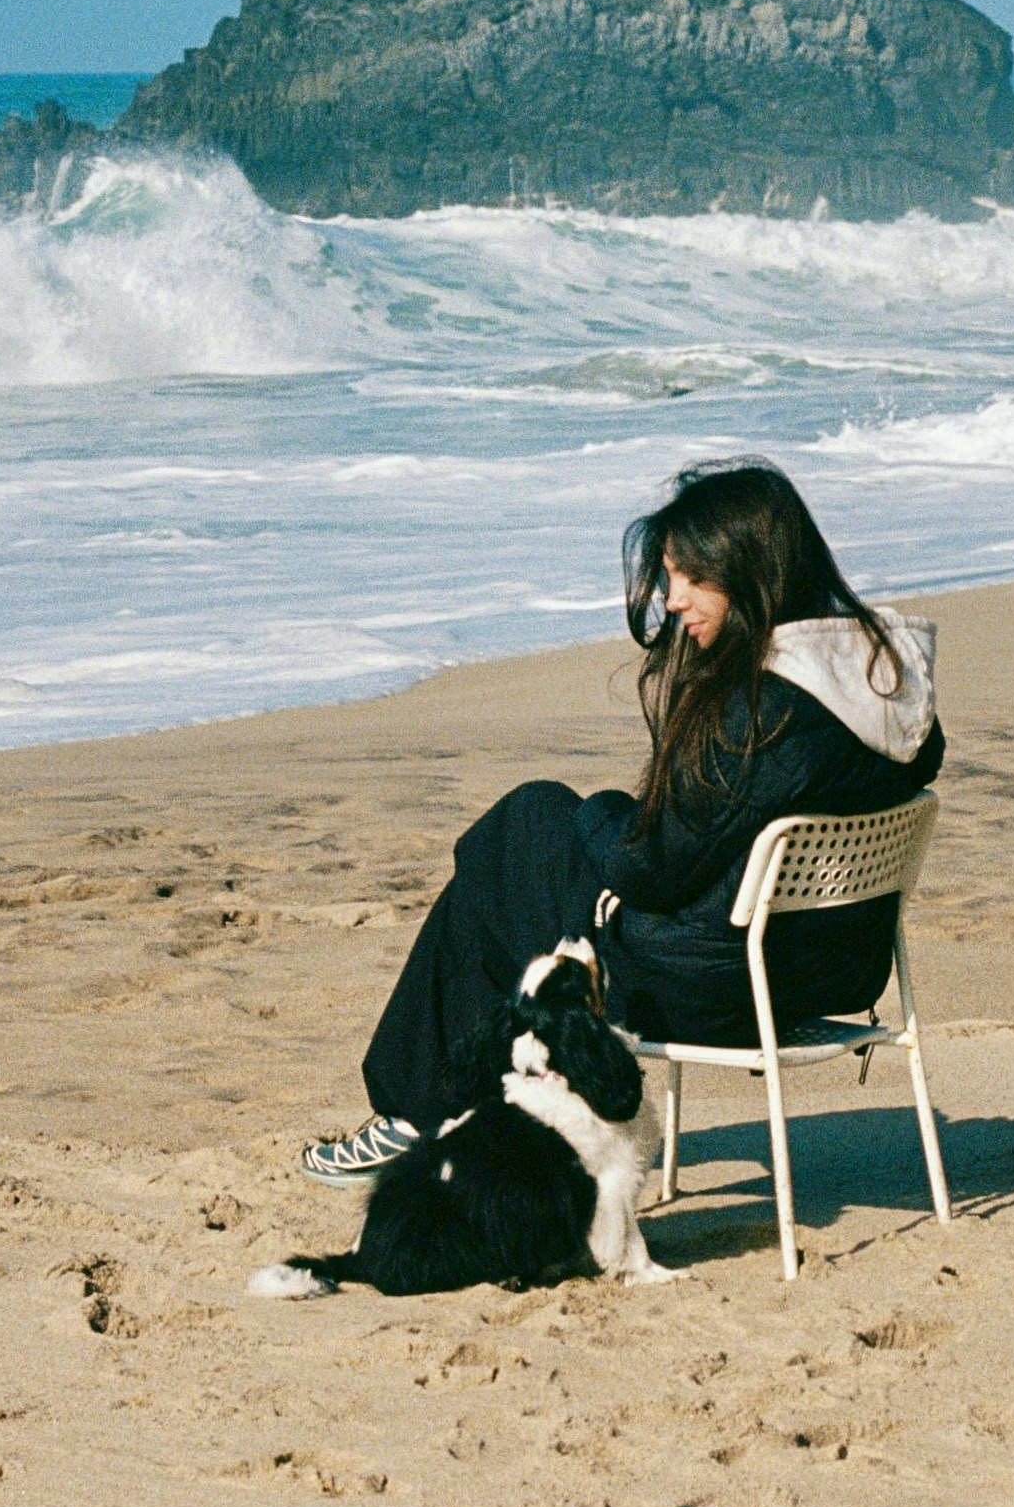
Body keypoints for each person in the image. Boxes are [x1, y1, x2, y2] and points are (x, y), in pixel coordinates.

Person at [301, 457, 945, 1179]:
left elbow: (648, 869)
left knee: (522, 828)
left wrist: (606, 811)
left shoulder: (763, 712)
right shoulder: (880, 686)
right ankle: (450, 1107)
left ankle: (413, 1114)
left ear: (749, 569)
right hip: (834, 970)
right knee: (507, 866)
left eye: (689, 579)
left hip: (716, 987)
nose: (672, 601)